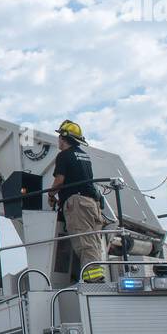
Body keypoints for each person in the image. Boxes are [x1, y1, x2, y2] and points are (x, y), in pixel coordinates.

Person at [48, 119, 106, 282]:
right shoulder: (85, 156)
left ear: (64, 138)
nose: (58, 140)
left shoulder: (64, 156)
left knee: (84, 241)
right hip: (92, 203)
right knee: (93, 241)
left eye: (59, 136)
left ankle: (92, 279)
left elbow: (59, 180)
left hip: (78, 204)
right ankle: (96, 275)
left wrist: (51, 195)